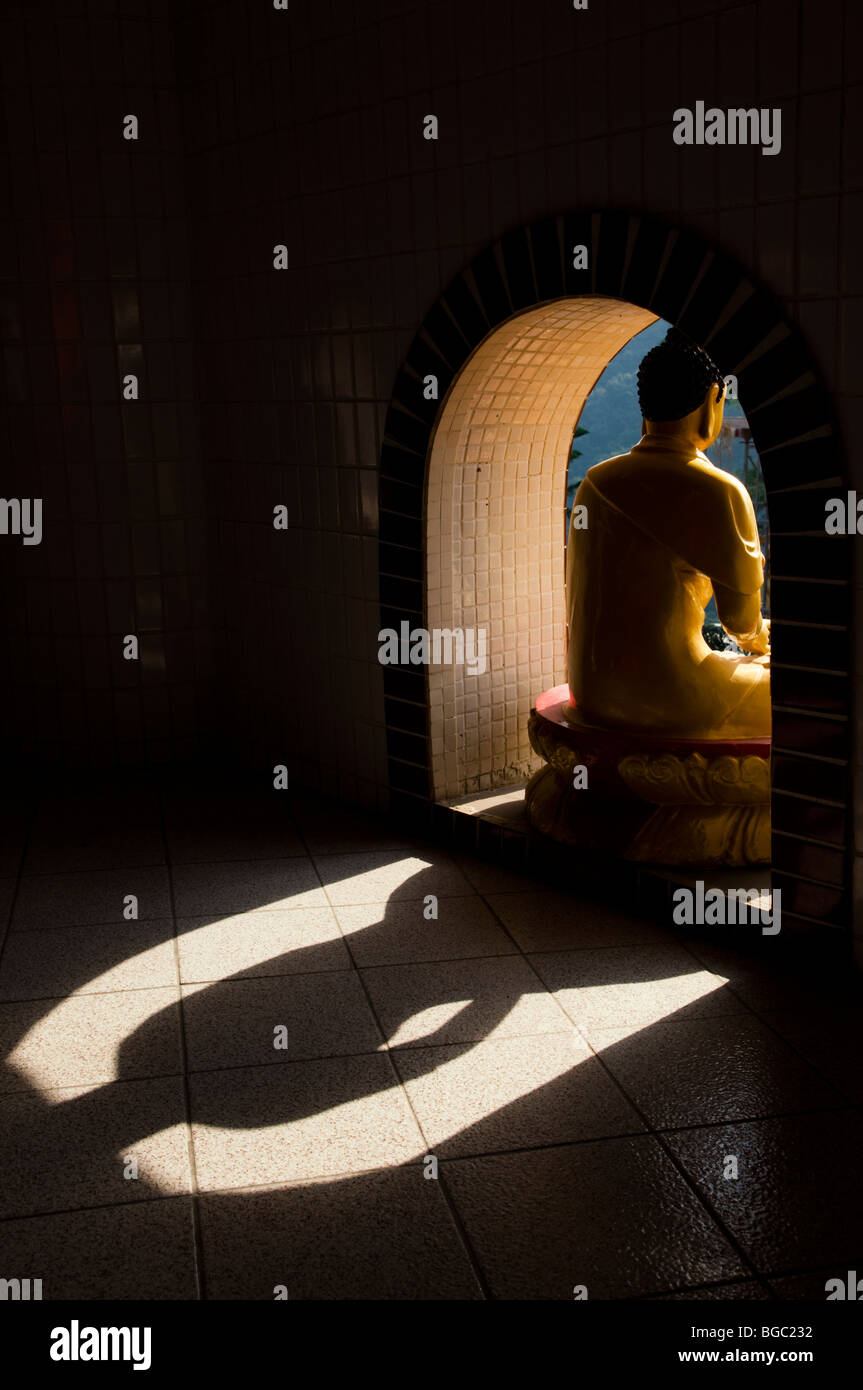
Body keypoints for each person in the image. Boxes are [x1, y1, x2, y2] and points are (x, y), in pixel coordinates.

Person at [565, 327, 770, 739]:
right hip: (673, 698)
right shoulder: (719, 491)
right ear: (714, 402)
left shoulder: (594, 482)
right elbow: (742, 625)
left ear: (645, 408)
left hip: (591, 690)